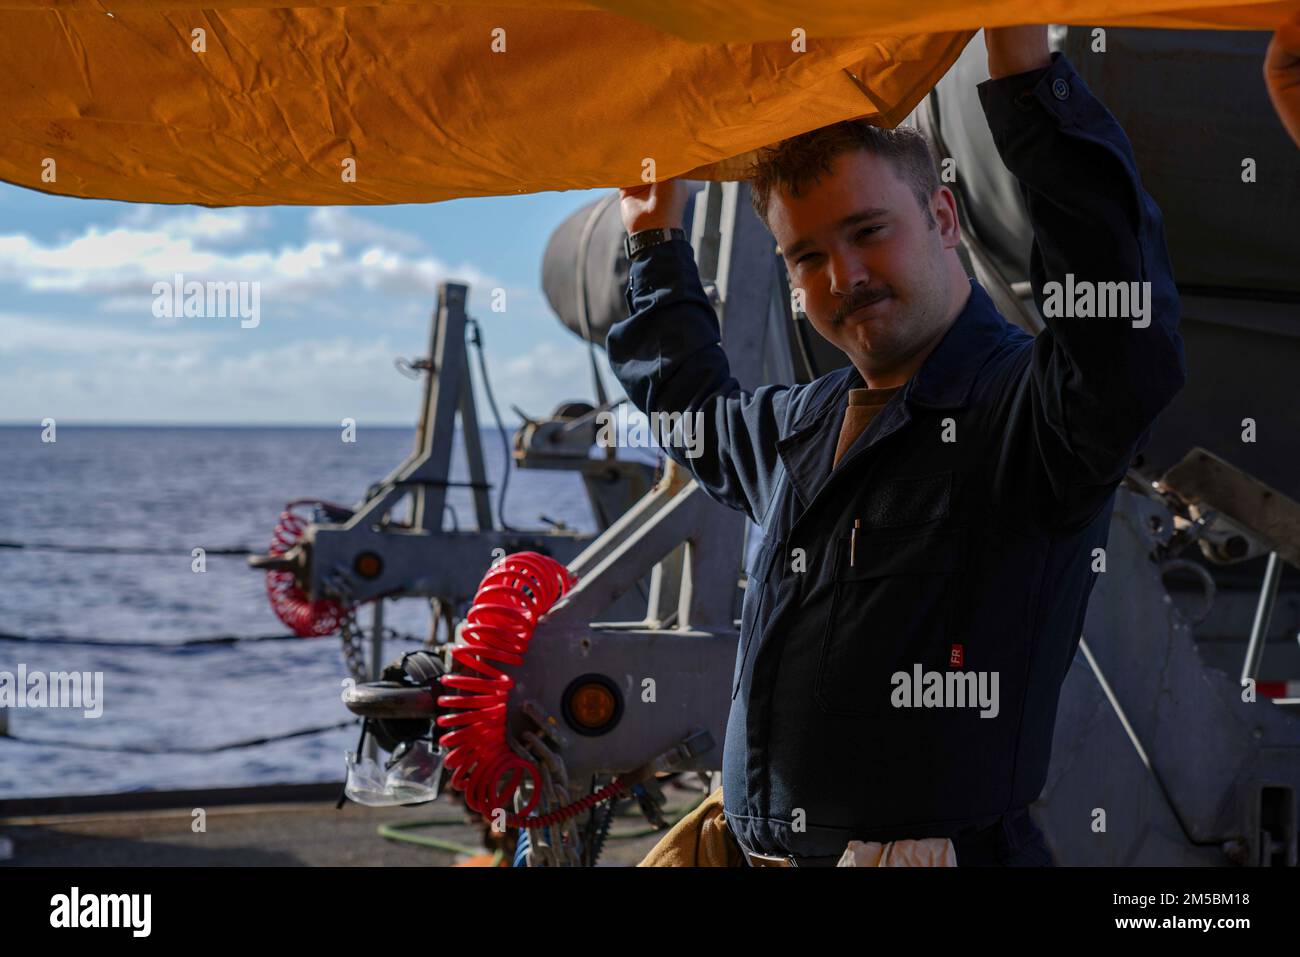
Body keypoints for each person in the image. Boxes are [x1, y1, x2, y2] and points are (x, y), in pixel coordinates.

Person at [609, 25, 1187, 866]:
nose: (842, 276)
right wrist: (653, 240)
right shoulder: (798, 427)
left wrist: (1028, 79)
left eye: (868, 231)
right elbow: (690, 403)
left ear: (943, 215)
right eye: (808, 255)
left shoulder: (1030, 417)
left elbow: (1122, 335)